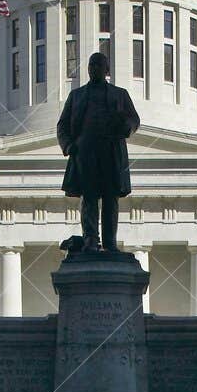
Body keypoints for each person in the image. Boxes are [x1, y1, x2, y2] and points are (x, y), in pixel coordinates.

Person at [56, 50, 140, 252]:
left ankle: (110, 242)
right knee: (89, 197)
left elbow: (134, 120)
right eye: (91, 65)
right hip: (86, 152)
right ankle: (91, 239)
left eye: (98, 65)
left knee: (111, 198)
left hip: (111, 151)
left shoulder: (120, 95)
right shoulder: (76, 96)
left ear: (106, 69)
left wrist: (125, 127)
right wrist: (69, 146)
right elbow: (63, 125)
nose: (94, 69)